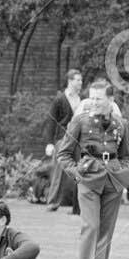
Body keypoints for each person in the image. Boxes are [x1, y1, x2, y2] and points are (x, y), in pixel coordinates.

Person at [57, 75, 129, 259]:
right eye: (92, 99)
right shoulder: (80, 121)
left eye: (99, 99)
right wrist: (76, 173)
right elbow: (63, 154)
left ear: (110, 100)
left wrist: (122, 172)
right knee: (90, 227)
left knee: (106, 232)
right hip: (88, 179)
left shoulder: (121, 124)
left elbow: (126, 155)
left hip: (113, 181)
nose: (94, 103)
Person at [44, 69, 85, 209]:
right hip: (62, 139)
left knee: (80, 169)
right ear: (70, 81)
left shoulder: (82, 99)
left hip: (78, 140)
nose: (80, 82)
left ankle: (79, 204)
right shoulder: (60, 99)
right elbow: (51, 121)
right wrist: (49, 143)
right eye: (78, 80)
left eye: (81, 80)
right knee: (59, 171)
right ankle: (52, 202)